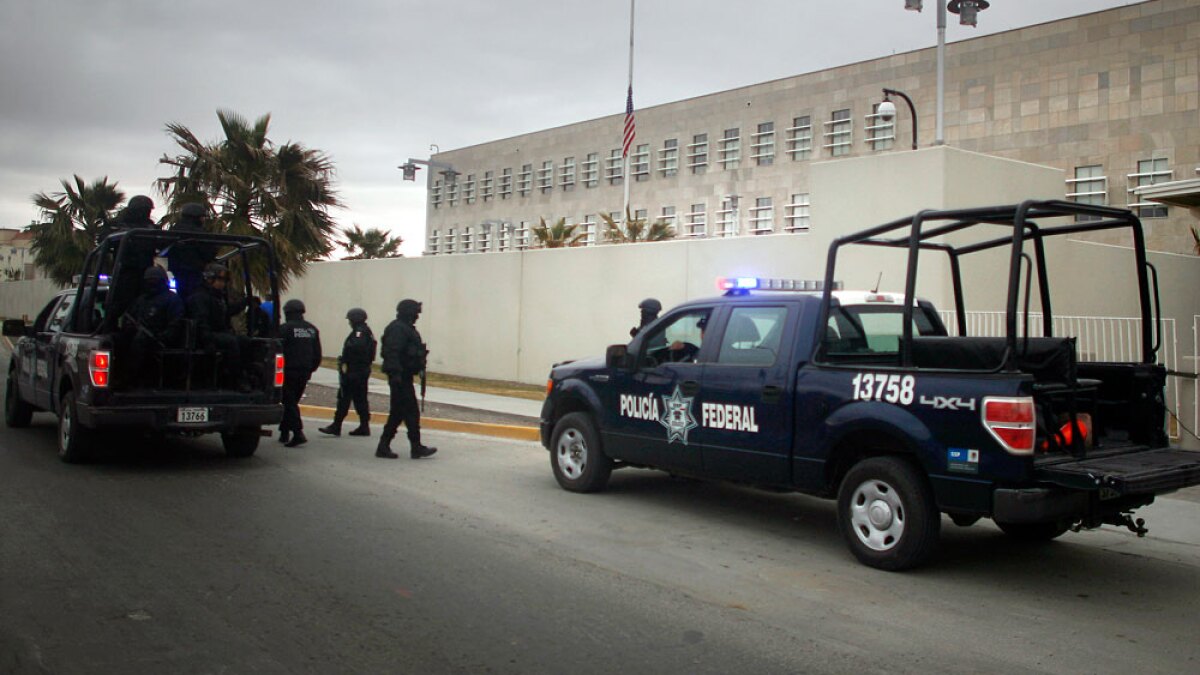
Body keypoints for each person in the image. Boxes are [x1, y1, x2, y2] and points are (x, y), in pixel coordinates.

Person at [376, 299, 437, 460]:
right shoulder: (398, 329)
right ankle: (412, 447)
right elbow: (392, 352)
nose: (417, 316)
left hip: (405, 376)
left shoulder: (406, 328)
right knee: (409, 412)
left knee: (399, 412)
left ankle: (388, 445)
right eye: (415, 313)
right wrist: (395, 374)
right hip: (399, 377)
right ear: (408, 313)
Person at [186, 263, 251, 389]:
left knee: (244, 340)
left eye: (225, 280)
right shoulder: (199, 297)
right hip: (205, 336)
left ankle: (245, 373)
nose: (223, 284)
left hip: (219, 333)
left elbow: (226, 312)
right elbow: (201, 321)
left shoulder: (218, 297)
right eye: (220, 280)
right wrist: (208, 340)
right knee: (231, 342)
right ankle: (236, 379)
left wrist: (244, 303)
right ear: (209, 279)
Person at [103, 195, 161, 330]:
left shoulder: (151, 227)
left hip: (146, 273)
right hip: (125, 272)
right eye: (143, 210)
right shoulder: (118, 225)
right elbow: (105, 240)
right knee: (118, 305)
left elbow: (163, 243)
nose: (146, 213)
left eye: (148, 210)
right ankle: (109, 329)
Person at [119, 265, 184, 388]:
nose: (152, 284)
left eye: (155, 281)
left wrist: (161, 337)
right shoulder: (141, 300)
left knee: (140, 342)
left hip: (160, 341)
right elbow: (130, 316)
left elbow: (176, 324)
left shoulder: (172, 300)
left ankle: (130, 380)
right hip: (139, 337)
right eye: (149, 281)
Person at [319, 307, 376, 437]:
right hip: (360, 370)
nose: (349, 322)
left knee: (345, 397)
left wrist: (346, 358)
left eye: (350, 320)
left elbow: (356, 347)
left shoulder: (360, 332)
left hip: (355, 371)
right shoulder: (365, 331)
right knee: (359, 399)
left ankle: (337, 425)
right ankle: (363, 426)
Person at [278, 299, 322, 447]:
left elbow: (277, 351)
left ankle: (298, 433)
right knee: (292, 402)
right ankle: (284, 431)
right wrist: (311, 369)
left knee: (288, 402)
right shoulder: (312, 329)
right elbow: (317, 354)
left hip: (288, 371)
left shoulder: (284, 329)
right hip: (304, 372)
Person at [167, 202, 215, 301]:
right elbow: (208, 252)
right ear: (197, 217)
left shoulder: (174, 230)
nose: (203, 220)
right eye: (202, 217)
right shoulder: (199, 233)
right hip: (195, 272)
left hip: (177, 271)